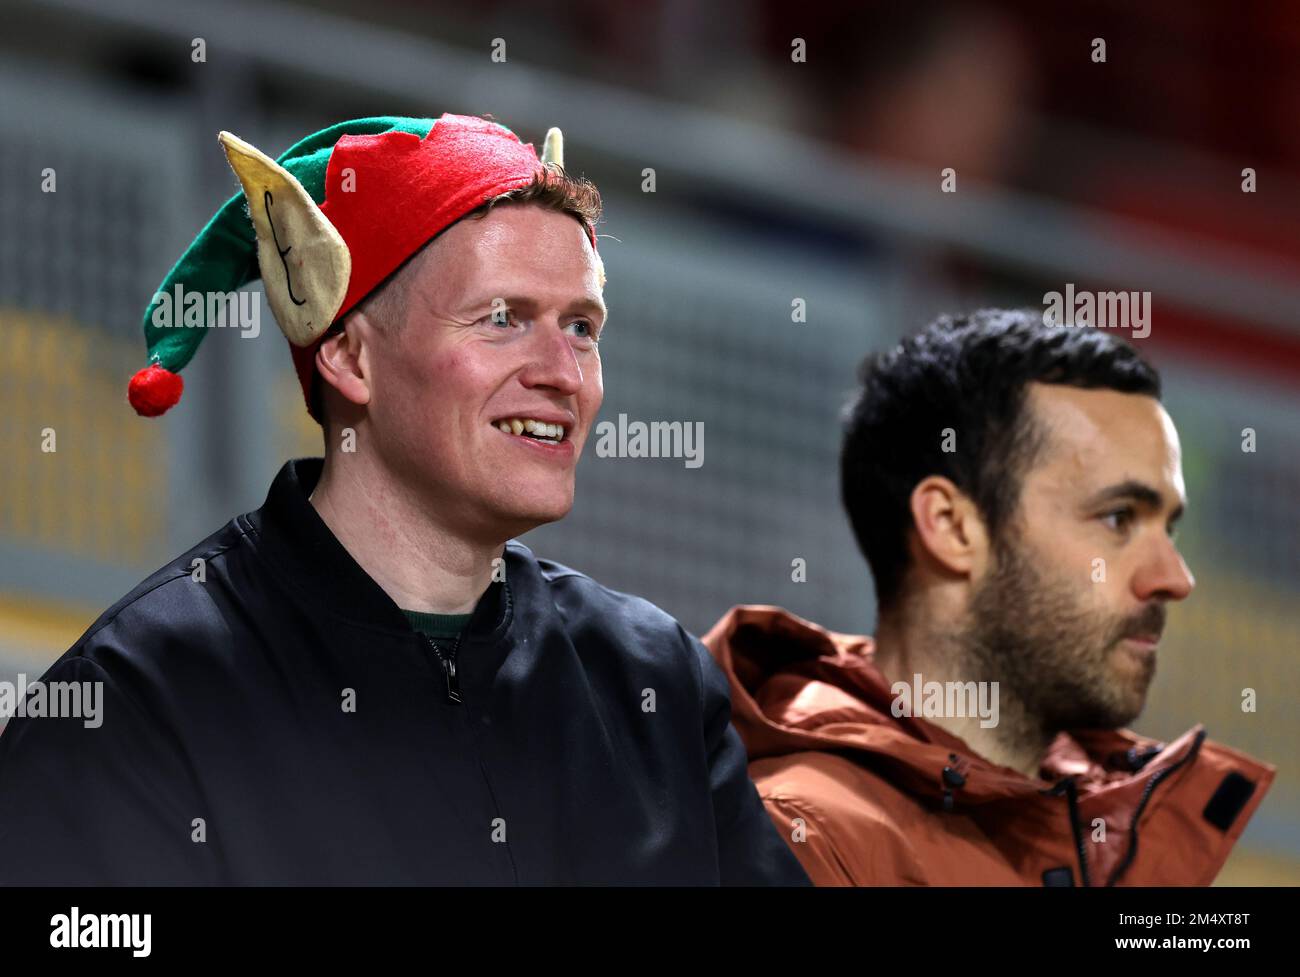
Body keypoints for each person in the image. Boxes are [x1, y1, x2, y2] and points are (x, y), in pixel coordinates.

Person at [0, 113, 808, 885]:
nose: (564, 372)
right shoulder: (143, 697)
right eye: (502, 317)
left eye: (583, 327)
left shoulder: (653, 681)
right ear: (349, 356)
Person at [704, 309, 1274, 885]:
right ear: (952, 528)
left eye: (1168, 528)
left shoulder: (1114, 837)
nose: (1176, 577)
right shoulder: (811, 843)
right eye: (1118, 517)